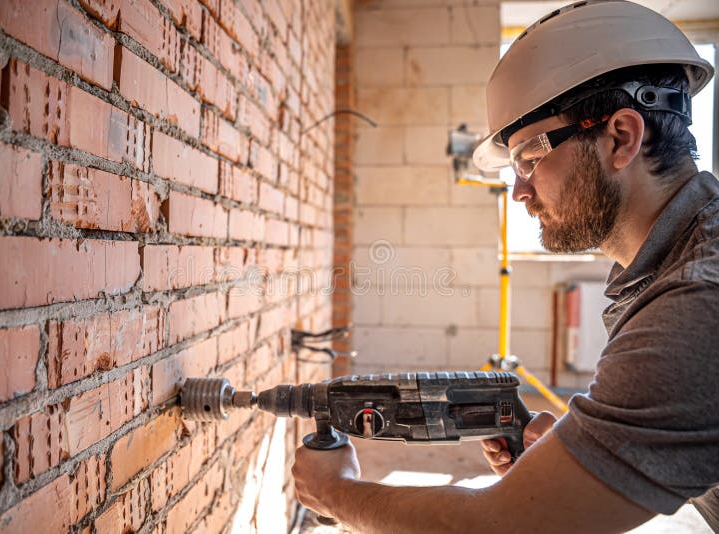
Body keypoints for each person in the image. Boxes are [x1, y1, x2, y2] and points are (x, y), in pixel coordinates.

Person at [291, 1, 719, 531]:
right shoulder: (669, 269)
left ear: (621, 137)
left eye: (529, 159)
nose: (518, 192)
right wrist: (582, 456)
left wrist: (335, 493)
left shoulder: (696, 303)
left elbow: (498, 528)